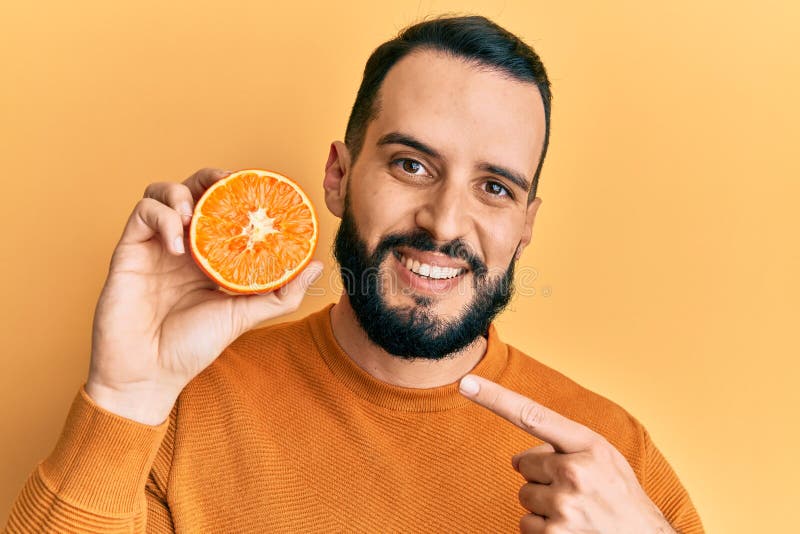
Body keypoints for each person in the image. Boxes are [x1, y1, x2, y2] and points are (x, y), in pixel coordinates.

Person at [6, 15, 703, 533]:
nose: (445, 223)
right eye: (411, 165)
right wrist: (123, 396)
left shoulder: (610, 455)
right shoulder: (181, 410)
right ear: (339, 176)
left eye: (495, 188)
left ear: (526, 224)